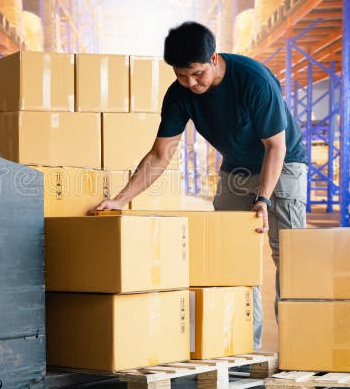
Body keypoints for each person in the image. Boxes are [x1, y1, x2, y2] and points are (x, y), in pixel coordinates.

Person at [93, 21, 307, 350]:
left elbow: (275, 147)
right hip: (236, 168)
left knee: (289, 255)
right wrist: (121, 199)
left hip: (284, 162)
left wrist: (262, 199)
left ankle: (299, 349)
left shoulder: (253, 80)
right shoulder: (179, 94)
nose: (191, 84)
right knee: (232, 255)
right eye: (182, 76)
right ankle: (245, 350)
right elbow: (160, 154)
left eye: (196, 74)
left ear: (214, 58)